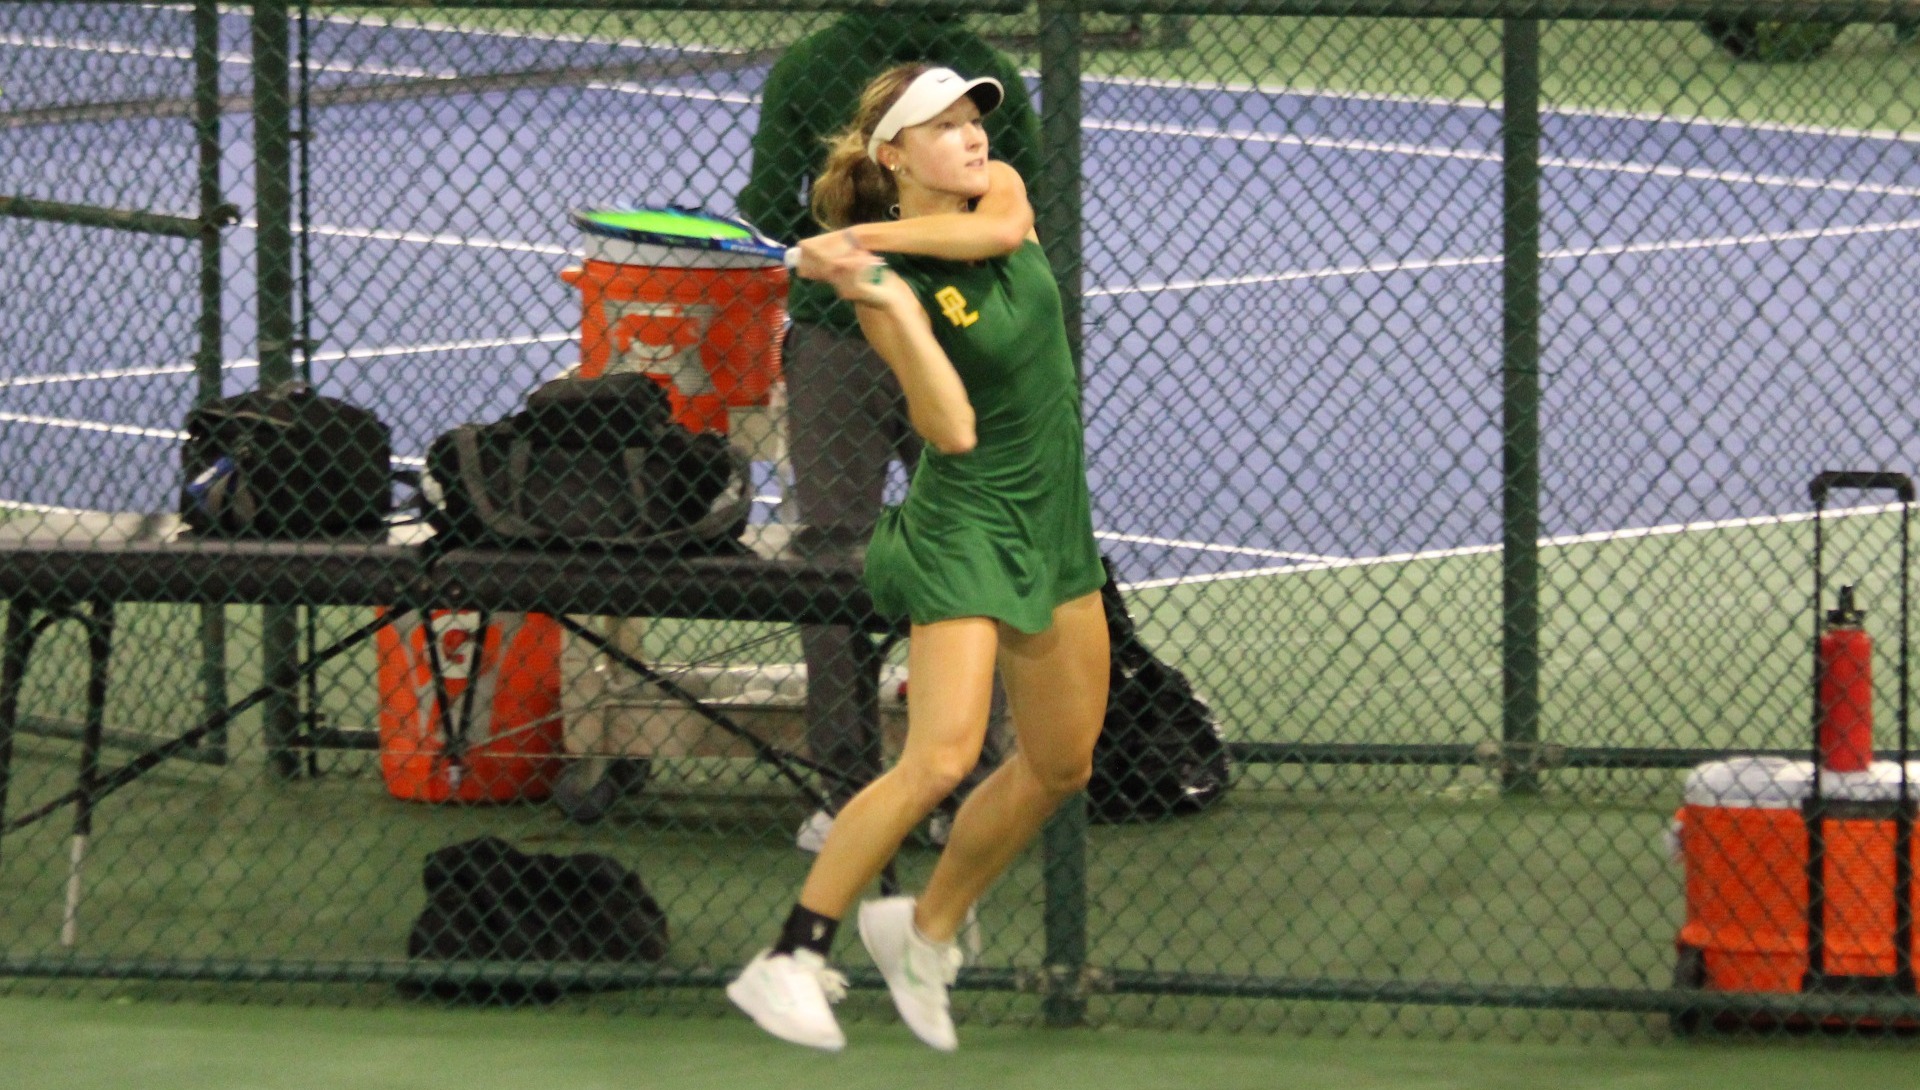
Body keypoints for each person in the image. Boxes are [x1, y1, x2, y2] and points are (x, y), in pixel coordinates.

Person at [726, 65, 1109, 1053]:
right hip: (965, 529)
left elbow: (990, 232)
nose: (973, 137)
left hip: (1056, 525)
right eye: (942, 126)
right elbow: (950, 426)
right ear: (893, 153)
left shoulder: (1003, 199)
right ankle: (793, 953)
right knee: (939, 756)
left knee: (1062, 762)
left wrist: (862, 238)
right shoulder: (889, 292)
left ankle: (924, 929)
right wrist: (876, 292)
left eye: (971, 118)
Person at [738, 11, 1042, 850]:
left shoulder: (808, 66)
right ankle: (971, 787)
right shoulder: (988, 72)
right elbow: (1031, 212)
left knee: (834, 552)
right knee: (979, 551)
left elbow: (768, 204)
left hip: (842, 338)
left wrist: (839, 248)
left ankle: (846, 793)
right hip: (959, 339)